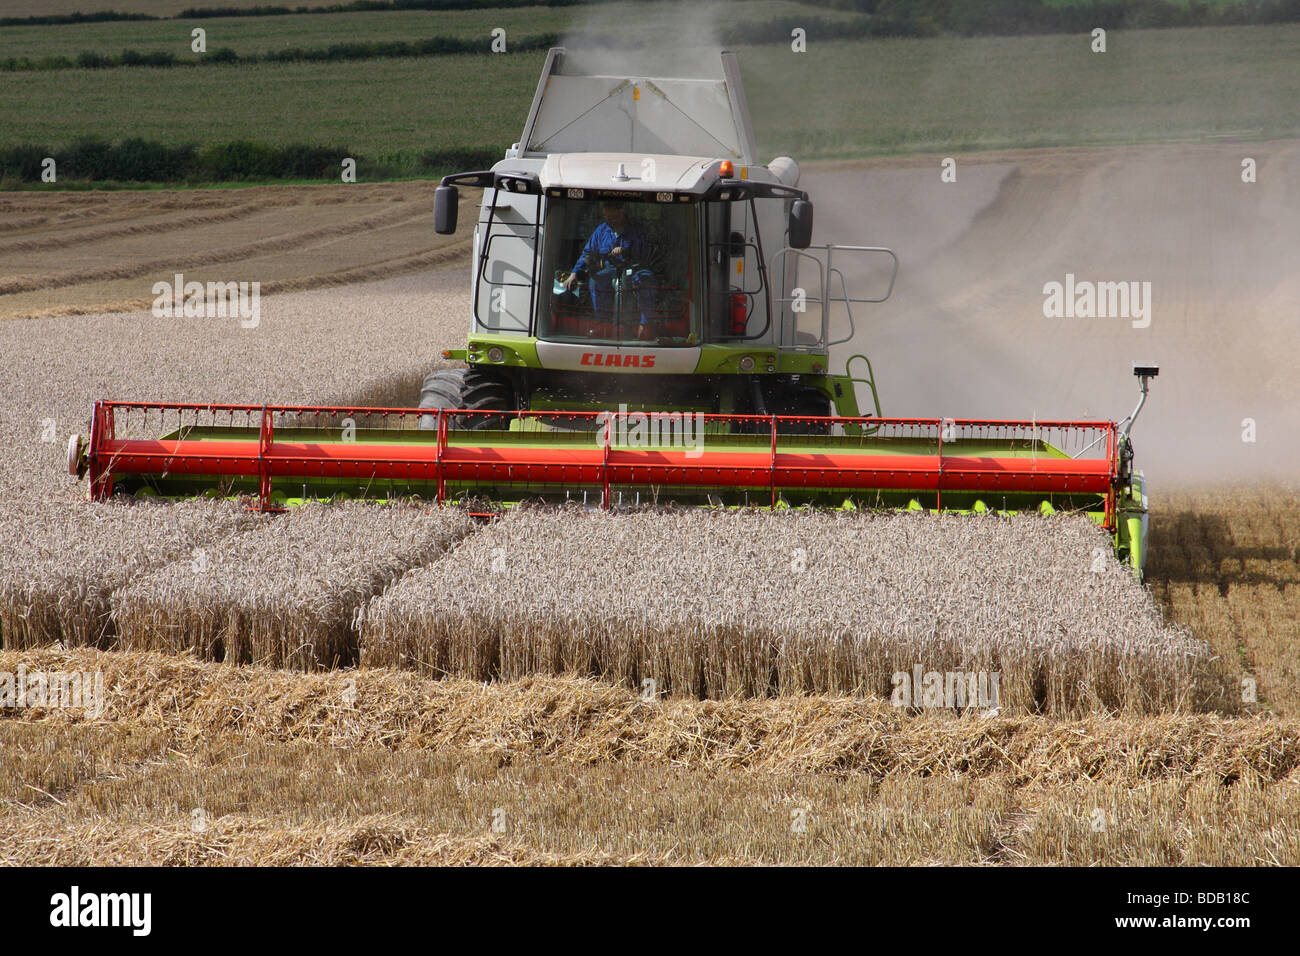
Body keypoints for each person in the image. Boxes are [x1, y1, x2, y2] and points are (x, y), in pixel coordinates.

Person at [563, 202, 657, 340]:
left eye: (613, 217)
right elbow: (587, 253)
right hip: (610, 269)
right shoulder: (601, 230)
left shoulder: (637, 229)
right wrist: (573, 274)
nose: (610, 221)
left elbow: (644, 251)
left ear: (621, 212)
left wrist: (626, 250)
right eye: (607, 217)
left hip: (634, 268)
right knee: (595, 281)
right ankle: (602, 324)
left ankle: (644, 325)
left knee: (646, 280)